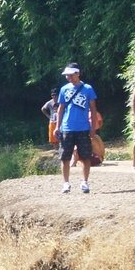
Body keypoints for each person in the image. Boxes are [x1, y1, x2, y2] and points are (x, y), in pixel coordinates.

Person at [54, 62, 100, 194]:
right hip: (67, 128)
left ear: (77, 73)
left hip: (83, 128)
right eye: (66, 75)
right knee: (65, 157)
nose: (68, 77)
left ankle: (85, 182)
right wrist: (58, 126)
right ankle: (66, 183)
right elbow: (61, 109)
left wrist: (93, 127)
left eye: (70, 75)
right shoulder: (64, 89)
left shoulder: (88, 89)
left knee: (85, 156)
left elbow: (93, 108)